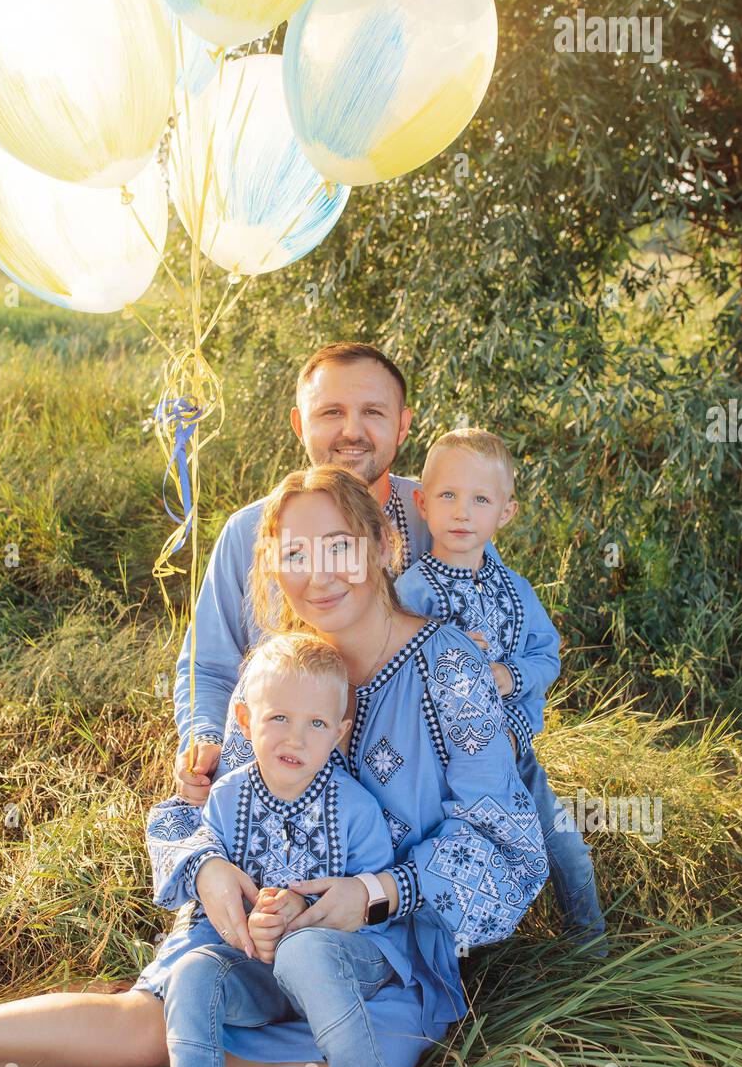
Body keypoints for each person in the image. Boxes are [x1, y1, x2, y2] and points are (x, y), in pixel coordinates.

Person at [0, 466, 547, 1067]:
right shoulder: (282, 669)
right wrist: (206, 872)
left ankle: (180, 1037)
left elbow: (504, 836)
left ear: (384, 544)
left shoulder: (448, 666)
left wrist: (375, 891)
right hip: (251, 927)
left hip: (382, 935)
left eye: (338, 548)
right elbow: (200, 816)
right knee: (148, 1019)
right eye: (293, 555)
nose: (317, 574)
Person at [143, 634, 415, 1067]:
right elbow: (194, 869)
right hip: (257, 969)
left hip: (337, 966)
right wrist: (250, 918)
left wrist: (305, 917)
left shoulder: (357, 809)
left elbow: (372, 917)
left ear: (340, 734)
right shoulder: (225, 798)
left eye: (318, 724)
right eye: (280, 717)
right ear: (244, 718)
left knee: (302, 951)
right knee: (194, 973)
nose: (296, 737)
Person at [173, 341, 501, 800]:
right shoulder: (248, 531)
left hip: (433, 791)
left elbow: (508, 642)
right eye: (330, 412)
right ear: (298, 423)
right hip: (285, 785)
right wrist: (204, 738)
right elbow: (208, 664)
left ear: (403, 424)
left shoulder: (445, 518)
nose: (352, 431)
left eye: (372, 411)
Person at [394, 428, 606, 949]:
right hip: (443, 765)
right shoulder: (412, 591)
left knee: (568, 847)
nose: (462, 512)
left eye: (480, 499)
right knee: (453, 856)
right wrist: (445, 653)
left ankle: (591, 948)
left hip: (515, 754)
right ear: (422, 503)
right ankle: (455, 957)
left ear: (504, 514)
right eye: (448, 495)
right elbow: (392, 671)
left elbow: (546, 654)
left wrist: (508, 677)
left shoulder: (516, 590)